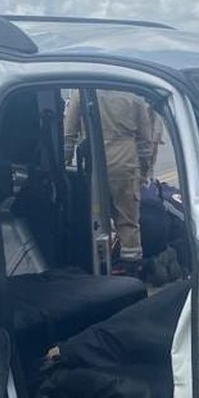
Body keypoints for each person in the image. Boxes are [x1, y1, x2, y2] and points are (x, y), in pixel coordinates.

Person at [63, 89, 157, 274]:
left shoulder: (82, 90)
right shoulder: (133, 94)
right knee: (128, 221)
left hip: (94, 163)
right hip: (125, 163)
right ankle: (132, 271)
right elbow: (145, 141)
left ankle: (95, 267)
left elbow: (69, 132)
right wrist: (145, 172)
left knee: (94, 218)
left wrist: (62, 162)